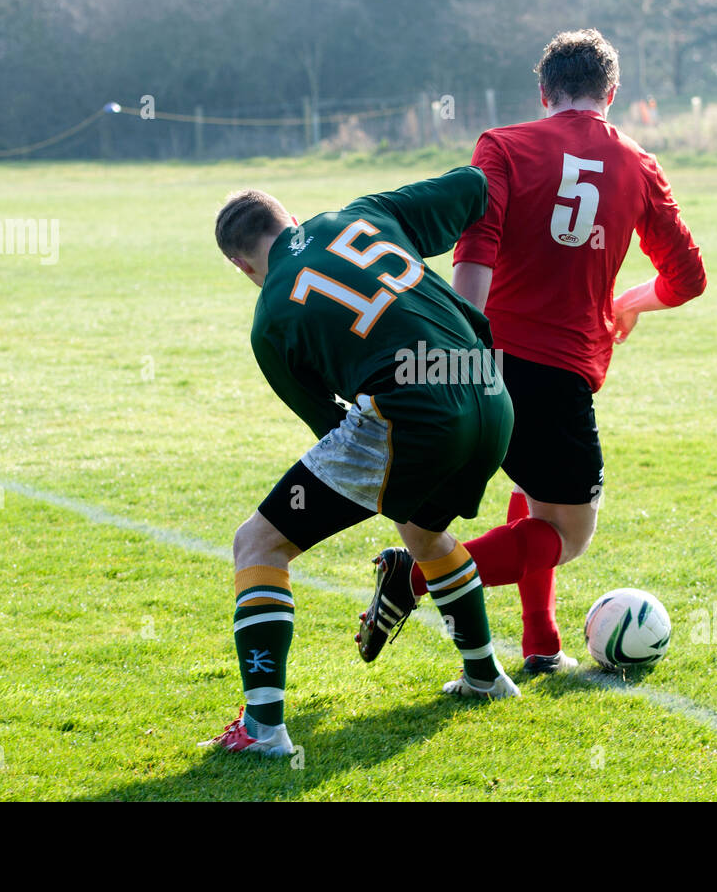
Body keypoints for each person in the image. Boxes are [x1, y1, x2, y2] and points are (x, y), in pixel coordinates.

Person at [357, 29, 705, 674]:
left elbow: (475, 247)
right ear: (612, 93)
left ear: (543, 92)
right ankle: (410, 582)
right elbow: (688, 280)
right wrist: (630, 301)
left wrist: (467, 350)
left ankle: (541, 643)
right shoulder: (639, 163)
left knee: (531, 492)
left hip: (484, 355)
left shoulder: (504, 145)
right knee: (569, 534)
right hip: (556, 372)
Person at [206, 166, 520, 757]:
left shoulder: (270, 317)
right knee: (424, 532)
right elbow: (476, 188)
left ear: (242, 267)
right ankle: (485, 675)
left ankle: (263, 728)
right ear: (292, 218)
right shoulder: (362, 212)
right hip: (491, 392)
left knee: (258, 544)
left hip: (418, 412)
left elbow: (330, 427)